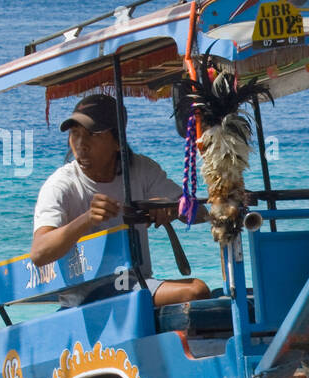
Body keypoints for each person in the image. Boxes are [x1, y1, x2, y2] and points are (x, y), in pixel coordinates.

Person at [31, 94, 212, 308]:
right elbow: (39, 253)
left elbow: (201, 214)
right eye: (75, 134)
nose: (80, 144)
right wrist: (87, 219)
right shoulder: (60, 185)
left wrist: (171, 209)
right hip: (85, 296)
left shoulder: (141, 169)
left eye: (92, 135)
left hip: (131, 283)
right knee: (196, 291)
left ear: (118, 142)